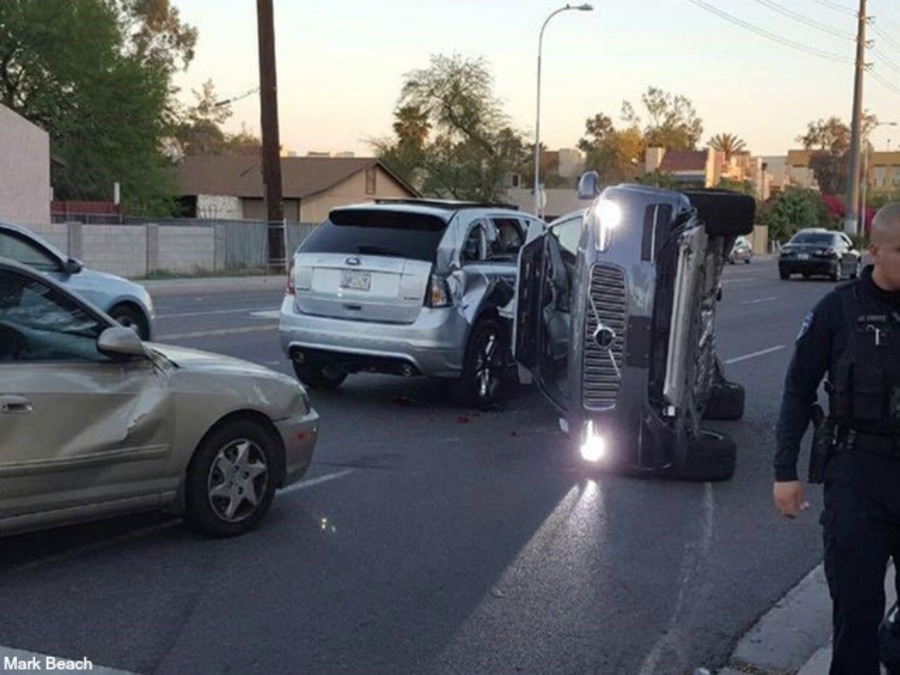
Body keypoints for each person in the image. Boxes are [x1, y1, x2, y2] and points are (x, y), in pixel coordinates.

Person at [773, 201, 900, 674]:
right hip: (858, 479)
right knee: (855, 616)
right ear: (874, 253)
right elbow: (797, 387)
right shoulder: (838, 311)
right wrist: (784, 472)